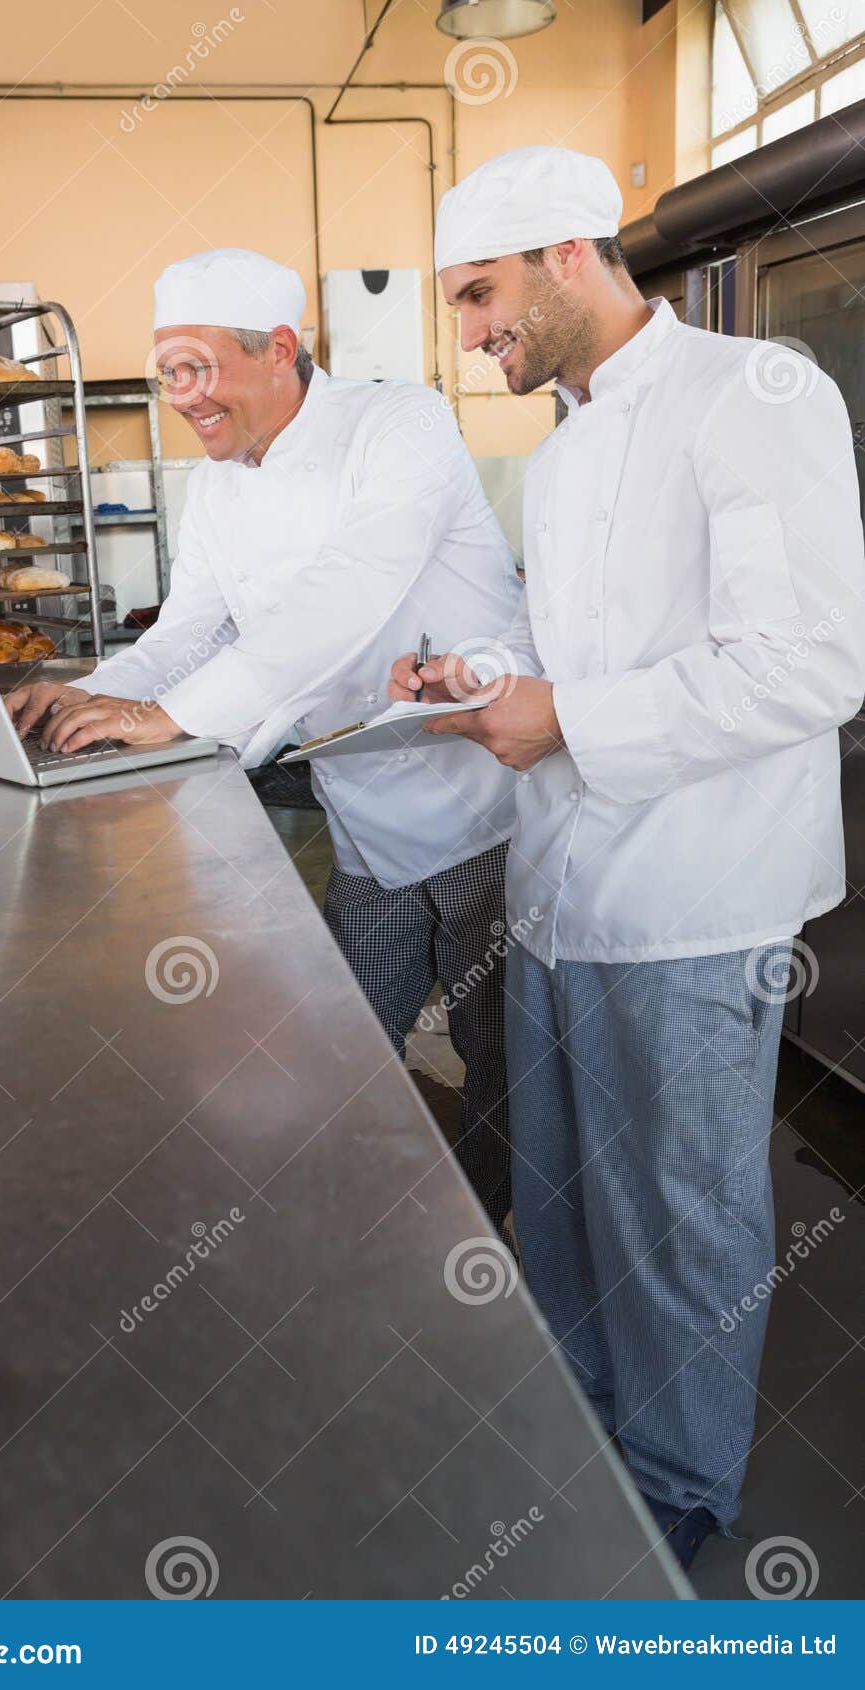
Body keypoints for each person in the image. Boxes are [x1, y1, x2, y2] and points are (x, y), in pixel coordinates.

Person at [388, 145, 865, 1567]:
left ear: (569, 255)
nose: (470, 333)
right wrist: (477, 673)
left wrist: (565, 718)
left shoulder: (750, 394)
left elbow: (807, 665)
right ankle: (581, 1438)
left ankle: (670, 1498)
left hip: (693, 899)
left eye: (480, 294)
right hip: (557, 896)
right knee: (570, 1202)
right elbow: (571, 649)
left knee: (682, 1216)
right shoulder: (570, 438)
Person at [7, 247, 521, 1229]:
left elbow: (349, 590)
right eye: (168, 375)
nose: (180, 398)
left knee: (504, 1073)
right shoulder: (219, 486)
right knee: (338, 1058)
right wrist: (80, 698)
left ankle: (507, 1291)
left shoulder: (394, 423)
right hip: (368, 809)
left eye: (194, 369)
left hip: (484, 795)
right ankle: (350, 1252)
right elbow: (187, 632)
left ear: (278, 348)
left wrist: (173, 716)